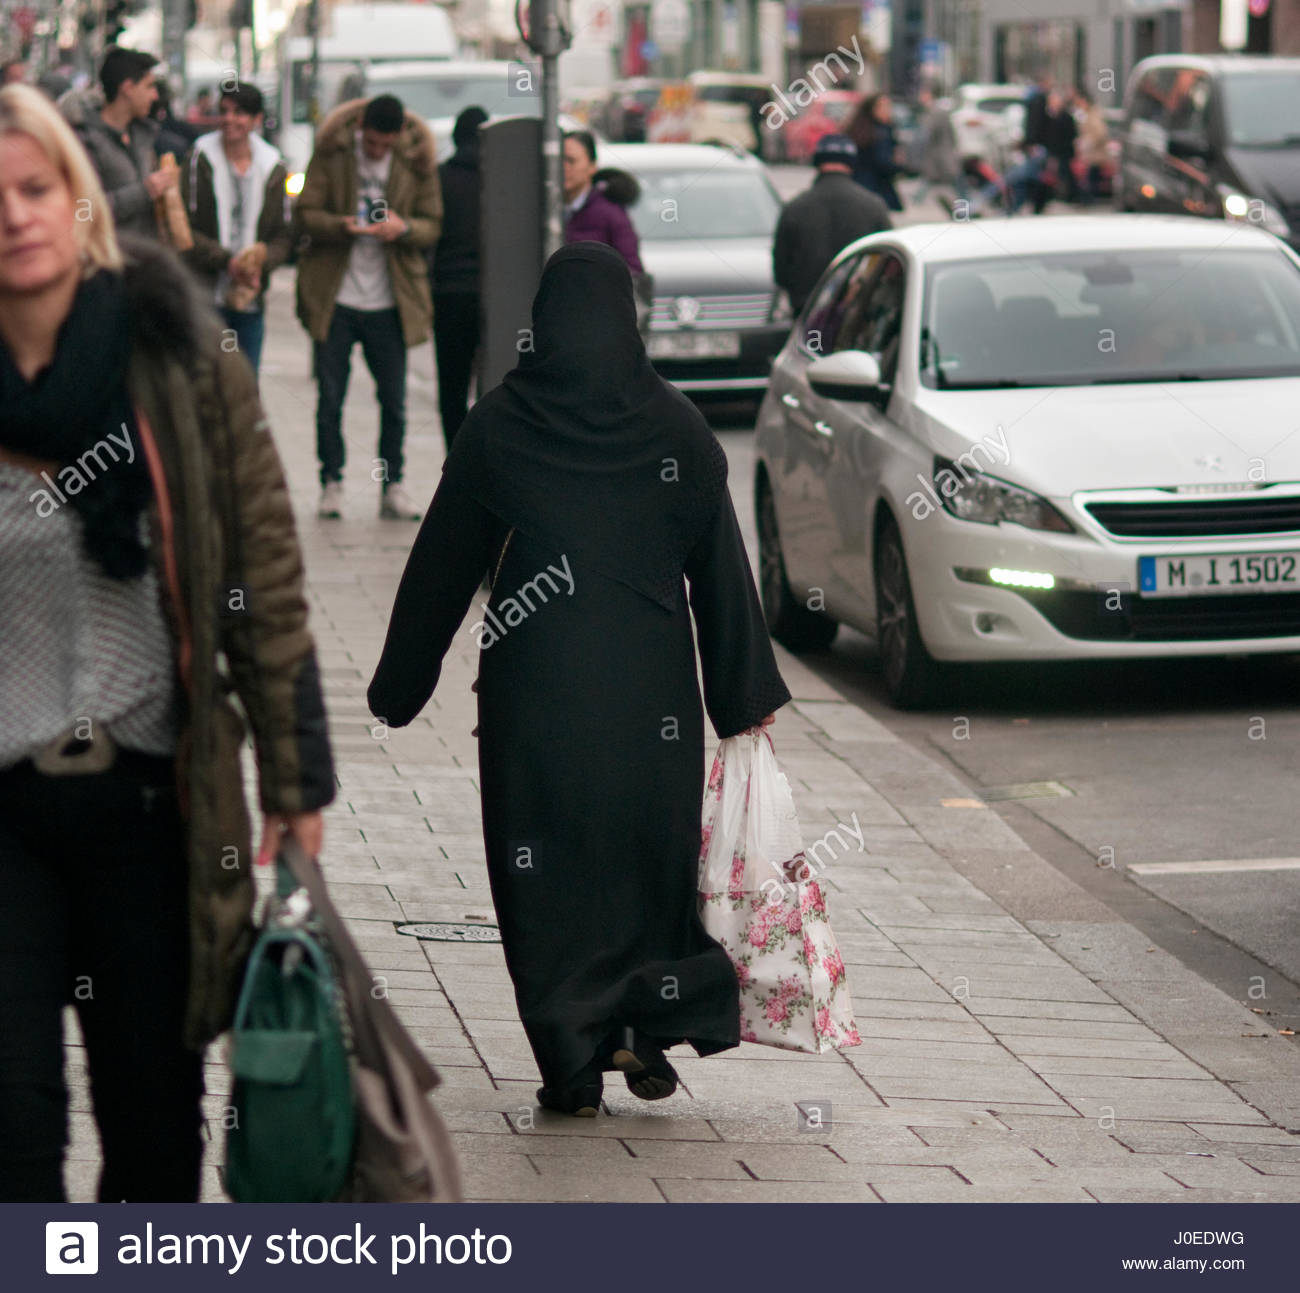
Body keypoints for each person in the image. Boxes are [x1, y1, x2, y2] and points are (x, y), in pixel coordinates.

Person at [0, 84, 334, 1202]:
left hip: (157, 806)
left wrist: (295, 779)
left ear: (77, 198)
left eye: (34, 188)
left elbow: (265, 580)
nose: (14, 216)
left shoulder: (179, 363)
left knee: (151, 1133)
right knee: (12, 1133)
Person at [368, 242, 791, 1116]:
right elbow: (722, 572)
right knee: (644, 869)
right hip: (651, 702)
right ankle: (643, 1020)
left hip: (538, 695)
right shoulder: (676, 426)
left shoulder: (502, 424)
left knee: (546, 876)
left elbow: (441, 566)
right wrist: (743, 700)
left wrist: (398, 688)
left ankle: (569, 1054)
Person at [295, 93, 443, 521]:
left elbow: (433, 223)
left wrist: (403, 227)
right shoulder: (333, 153)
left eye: (384, 145)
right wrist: (341, 225)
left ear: (397, 137)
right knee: (330, 397)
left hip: (390, 300)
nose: (377, 151)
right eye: (371, 142)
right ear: (360, 128)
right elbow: (305, 212)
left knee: (394, 401)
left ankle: (392, 484)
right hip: (336, 296)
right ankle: (332, 482)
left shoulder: (416, 160)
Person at [181, 81, 289, 377]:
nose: (229, 119)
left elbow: (284, 234)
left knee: (246, 391)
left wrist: (260, 263)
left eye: (239, 113)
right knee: (205, 389)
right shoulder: (200, 157)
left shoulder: (273, 164)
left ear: (256, 120)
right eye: (224, 111)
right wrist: (226, 262)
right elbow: (183, 230)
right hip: (205, 297)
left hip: (249, 299)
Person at [772, 133, 892, 314]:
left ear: (817, 163)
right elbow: (889, 263)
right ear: (851, 163)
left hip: (806, 312)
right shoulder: (875, 207)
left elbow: (780, 272)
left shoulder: (795, 208)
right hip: (856, 315)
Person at [67, 46, 176, 238]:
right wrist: (145, 191)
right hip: (108, 259)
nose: (155, 96)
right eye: (149, 86)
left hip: (147, 258)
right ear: (127, 88)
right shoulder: (85, 140)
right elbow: (82, 210)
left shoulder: (143, 135)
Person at [430, 105, 487, 454]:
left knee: (451, 386)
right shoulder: (503, 180)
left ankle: (456, 458)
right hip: (495, 295)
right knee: (495, 382)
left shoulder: (439, 178)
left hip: (449, 295)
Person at [562, 130, 643, 273]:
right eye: (559, 160)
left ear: (592, 166)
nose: (564, 168)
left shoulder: (610, 214)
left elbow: (632, 270)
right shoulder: (543, 211)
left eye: (571, 161)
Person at [913, 82, 966, 210]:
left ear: (928, 95)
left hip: (941, 154)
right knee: (952, 181)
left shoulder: (935, 111)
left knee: (955, 181)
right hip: (942, 153)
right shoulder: (938, 110)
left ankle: (965, 205)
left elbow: (929, 133)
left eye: (922, 94)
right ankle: (964, 204)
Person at [845, 93, 902, 212]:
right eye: (885, 107)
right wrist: (901, 167)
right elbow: (884, 162)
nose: (888, 111)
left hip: (857, 186)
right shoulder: (881, 132)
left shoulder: (857, 129)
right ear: (873, 109)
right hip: (878, 188)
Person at [1075, 89, 1110, 206]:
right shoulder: (1086, 114)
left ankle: (1089, 200)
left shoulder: (1093, 115)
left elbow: (1100, 133)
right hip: (1091, 155)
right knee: (1090, 178)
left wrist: (1088, 142)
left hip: (1095, 155)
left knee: (1091, 178)